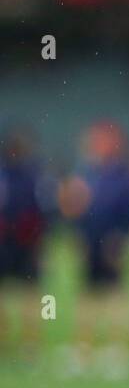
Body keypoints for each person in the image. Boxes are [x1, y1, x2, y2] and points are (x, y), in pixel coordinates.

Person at [68, 121, 129, 379]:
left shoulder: (124, 176)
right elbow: (75, 209)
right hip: (90, 242)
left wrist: (121, 239)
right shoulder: (87, 172)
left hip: (112, 244)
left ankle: (118, 352)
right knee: (87, 295)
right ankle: (83, 350)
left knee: (116, 295)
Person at [0, 127, 53, 365]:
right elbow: (47, 213)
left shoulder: (33, 175)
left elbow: (46, 213)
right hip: (26, 242)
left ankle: (25, 345)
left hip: (18, 242)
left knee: (31, 296)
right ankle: (29, 346)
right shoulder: (38, 175)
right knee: (32, 296)